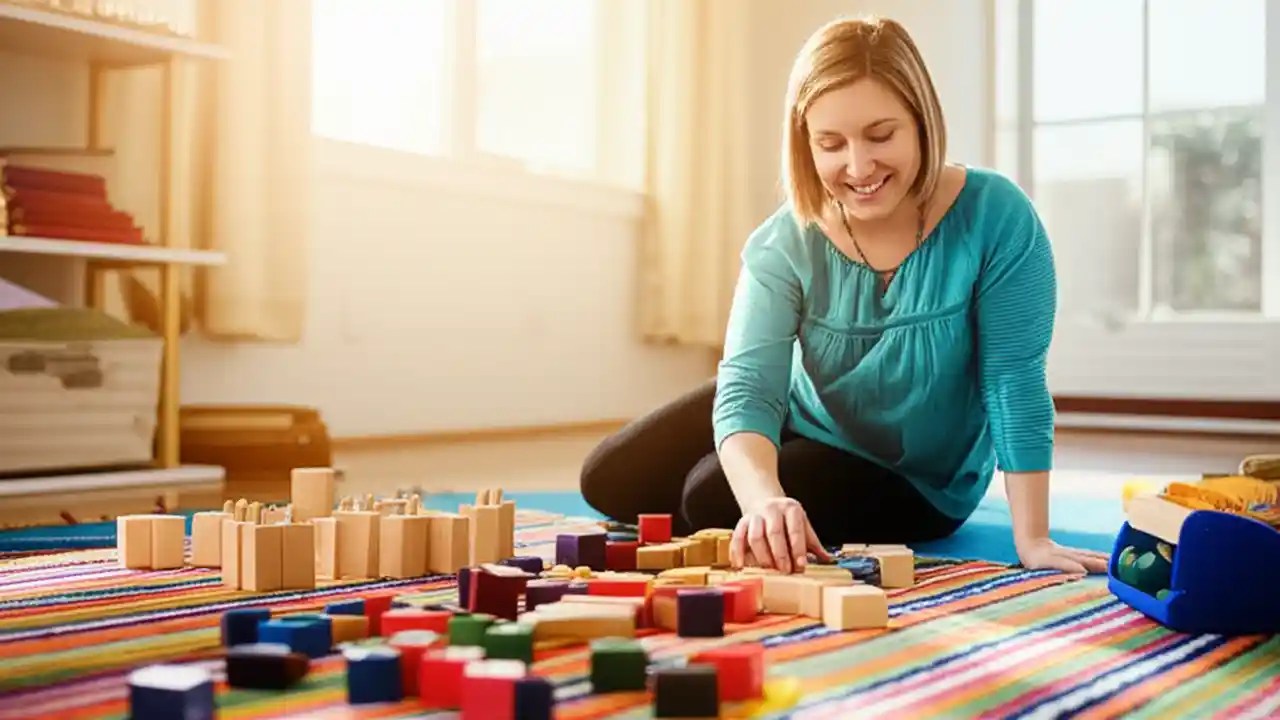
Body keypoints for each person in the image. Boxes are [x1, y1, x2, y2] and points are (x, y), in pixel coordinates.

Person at [580, 15, 1109, 577]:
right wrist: (764, 498)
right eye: (831, 144)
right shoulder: (784, 241)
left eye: (882, 136)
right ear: (805, 144)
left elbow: (1013, 382)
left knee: (708, 496)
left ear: (922, 122)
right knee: (608, 478)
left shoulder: (997, 217)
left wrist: (1034, 538)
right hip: (806, 409)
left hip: (915, 478)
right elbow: (750, 387)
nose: (859, 167)